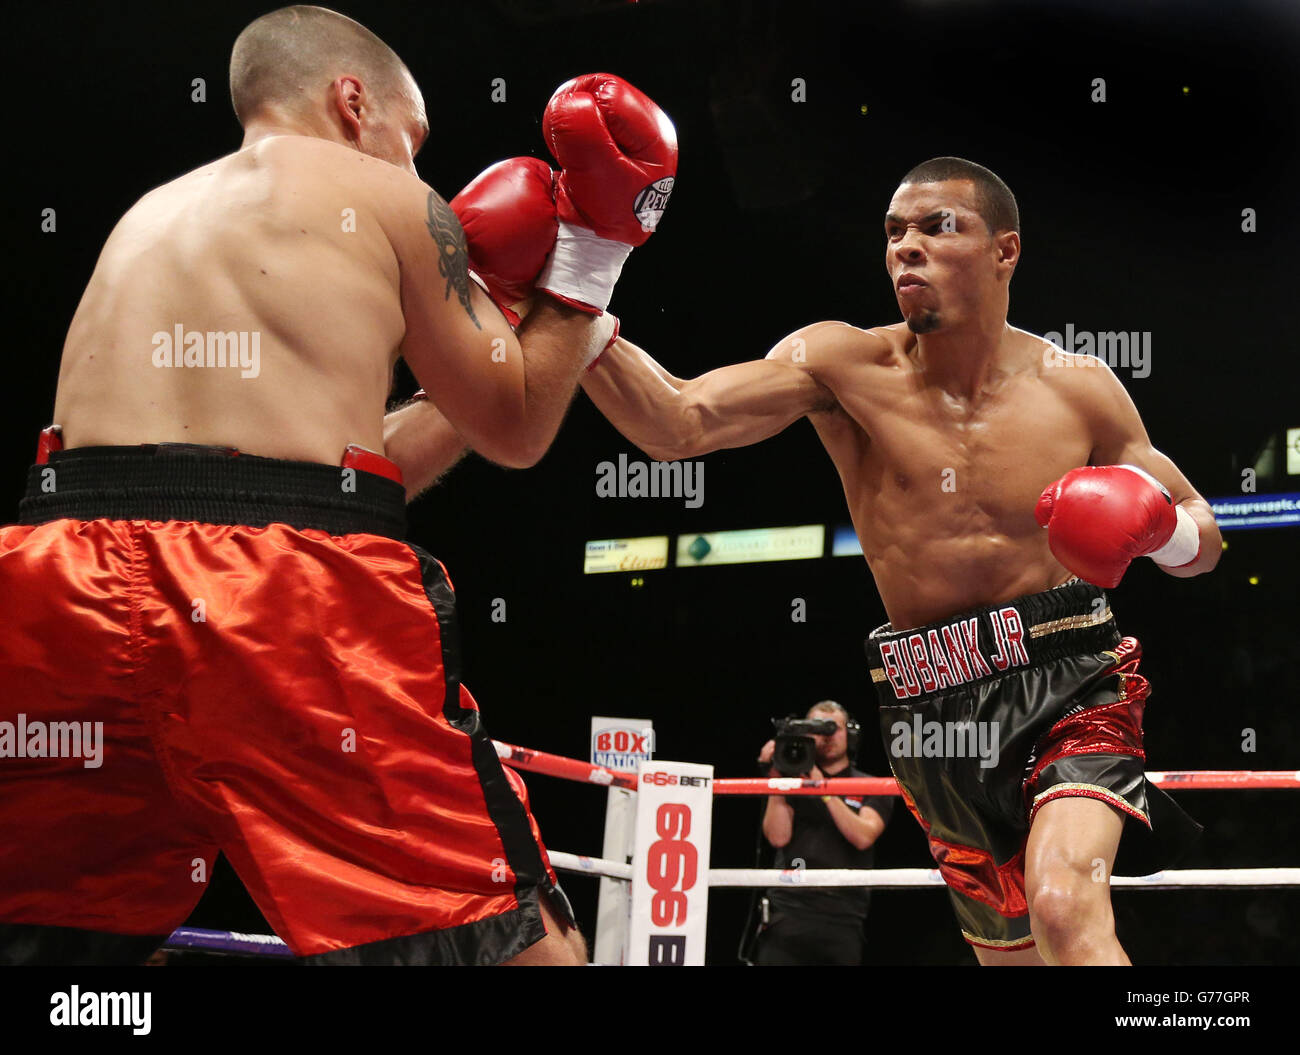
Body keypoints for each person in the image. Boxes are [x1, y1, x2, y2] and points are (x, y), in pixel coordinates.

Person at [0, 5, 675, 966]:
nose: (417, 168)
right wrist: (591, 258)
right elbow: (519, 427)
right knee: (505, 935)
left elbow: (329, 465)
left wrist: (507, 318)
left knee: (64, 930)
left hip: (52, 578)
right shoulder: (388, 197)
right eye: (415, 139)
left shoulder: (147, 215)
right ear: (351, 102)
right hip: (272, 594)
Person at [579, 156, 1218, 965]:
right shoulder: (840, 364)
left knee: (1063, 904)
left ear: (1005, 250)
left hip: (1070, 682)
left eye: (936, 226)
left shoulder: (1078, 385)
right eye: (893, 232)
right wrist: (578, 299)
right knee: (1013, 956)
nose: (905, 247)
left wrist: (1162, 532)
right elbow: (679, 421)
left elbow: (1204, 528)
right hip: (930, 709)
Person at [751, 701, 893, 965]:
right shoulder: (790, 782)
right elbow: (778, 837)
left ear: (850, 733)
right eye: (817, 729)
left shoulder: (871, 785)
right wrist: (776, 775)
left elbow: (863, 836)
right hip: (788, 913)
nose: (826, 736)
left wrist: (821, 787)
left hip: (842, 920)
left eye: (833, 728)